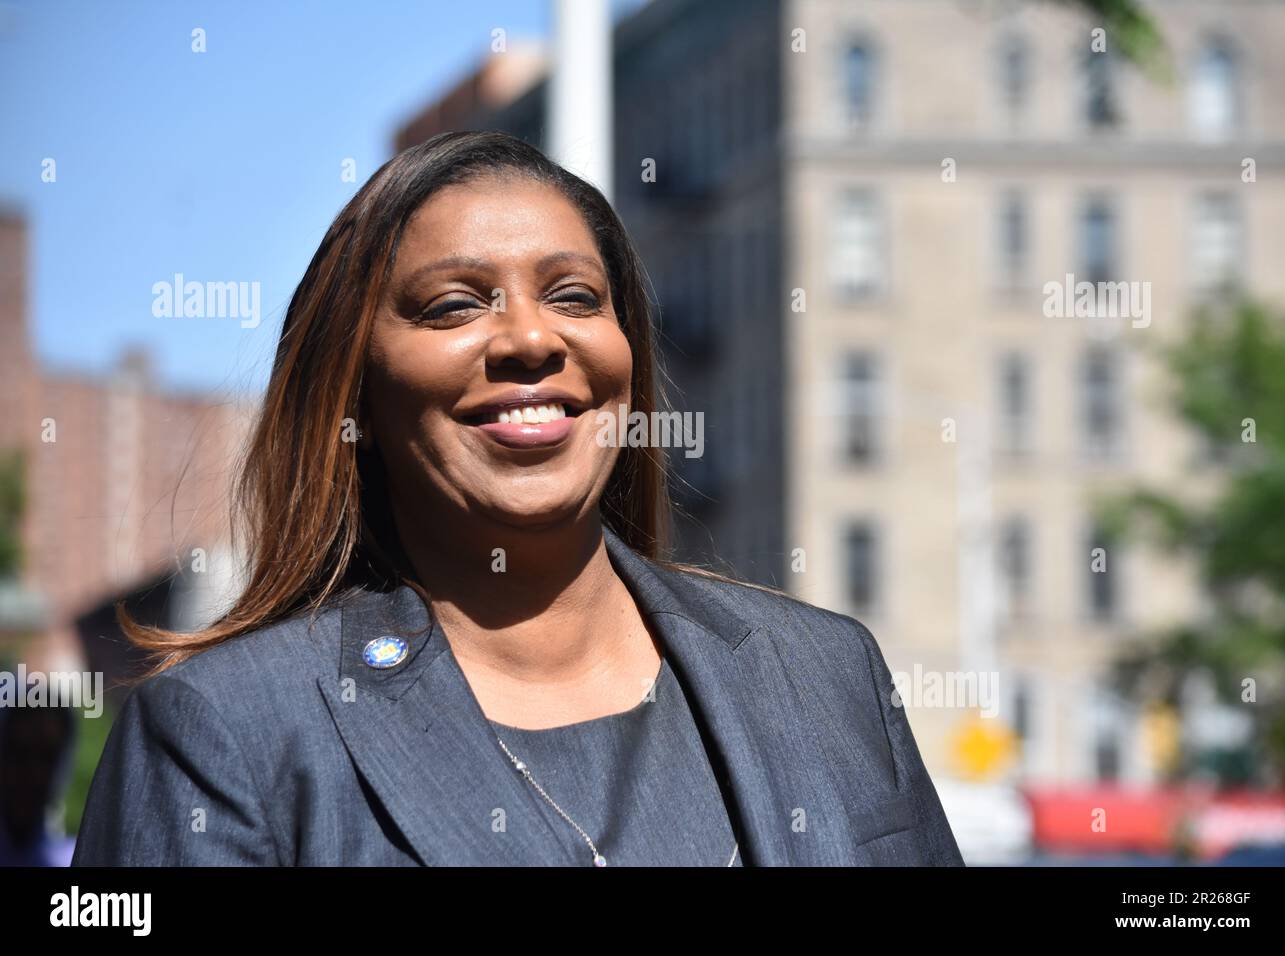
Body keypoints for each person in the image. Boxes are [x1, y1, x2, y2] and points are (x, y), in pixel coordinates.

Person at [71, 130, 963, 866]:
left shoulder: (826, 676)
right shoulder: (225, 738)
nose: (532, 338)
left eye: (575, 296)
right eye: (455, 306)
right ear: (358, 399)